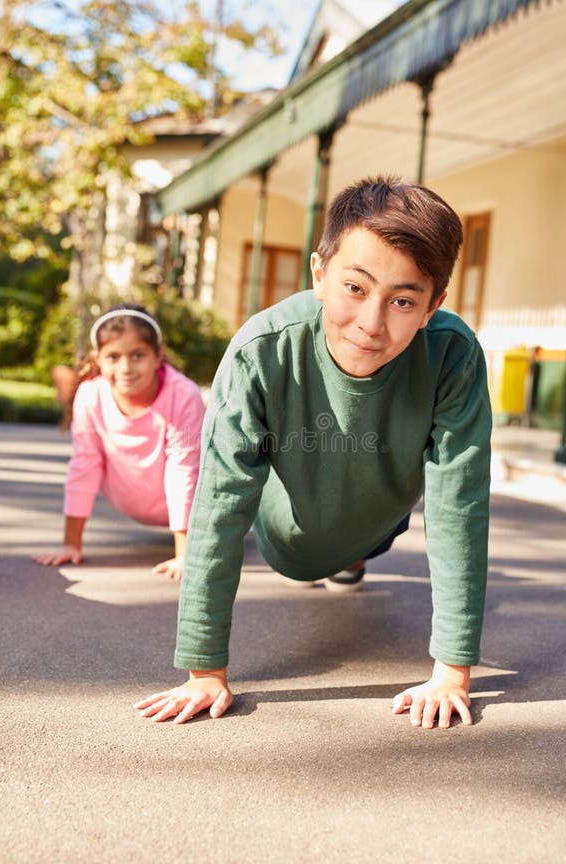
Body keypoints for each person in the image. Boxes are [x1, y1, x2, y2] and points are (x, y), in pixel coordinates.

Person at [134, 176, 492, 728]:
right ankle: (333, 555)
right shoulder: (261, 350)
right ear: (320, 274)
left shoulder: (453, 354)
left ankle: (350, 557)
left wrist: (452, 670)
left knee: (368, 520)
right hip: (286, 529)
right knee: (297, 548)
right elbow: (221, 501)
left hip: (378, 517)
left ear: (433, 306)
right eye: (355, 288)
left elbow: (458, 504)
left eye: (402, 300)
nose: (372, 324)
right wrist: (204, 669)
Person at [33, 303, 205, 580]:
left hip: (201, 507)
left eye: (138, 355)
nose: (125, 368)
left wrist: (184, 555)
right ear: (97, 358)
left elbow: (184, 470)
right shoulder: (90, 396)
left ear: (158, 355)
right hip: (134, 502)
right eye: (113, 357)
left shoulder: (183, 394)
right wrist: (71, 544)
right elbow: (84, 466)